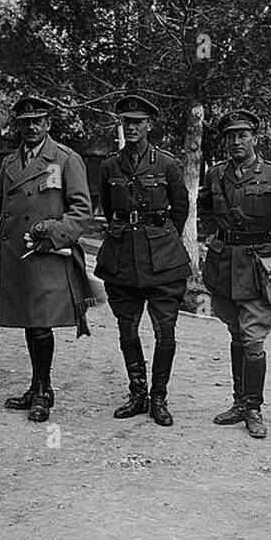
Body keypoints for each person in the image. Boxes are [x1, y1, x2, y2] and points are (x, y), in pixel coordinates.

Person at [198, 109, 271, 439]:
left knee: (253, 340)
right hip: (224, 266)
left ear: (254, 138)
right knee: (236, 335)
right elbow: (204, 208)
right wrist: (209, 236)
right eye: (230, 136)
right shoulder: (216, 175)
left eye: (242, 135)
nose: (235, 141)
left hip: (261, 267)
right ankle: (239, 402)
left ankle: (254, 407)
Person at [0, 95, 95, 423]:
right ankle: (35, 385)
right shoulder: (8, 164)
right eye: (25, 122)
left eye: (38, 121)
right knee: (29, 322)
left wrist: (52, 233)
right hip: (17, 255)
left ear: (48, 124)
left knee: (41, 325)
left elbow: (81, 210)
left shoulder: (64, 159)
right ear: (18, 126)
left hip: (47, 255)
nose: (31, 127)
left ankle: (45, 390)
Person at [94, 93, 191, 427]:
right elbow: (110, 209)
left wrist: (161, 237)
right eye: (127, 122)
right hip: (121, 259)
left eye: (138, 122)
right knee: (127, 329)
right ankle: (138, 392)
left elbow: (180, 209)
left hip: (163, 260)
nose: (132, 127)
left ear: (150, 125)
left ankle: (159, 397)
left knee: (165, 332)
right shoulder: (109, 166)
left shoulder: (167, 164)